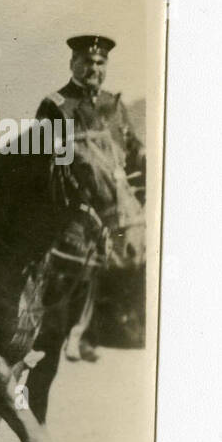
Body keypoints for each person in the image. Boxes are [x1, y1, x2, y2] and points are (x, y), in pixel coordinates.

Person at [35, 34, 146, 362]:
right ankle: (61, 331)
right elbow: (43, 160)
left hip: (112, 204)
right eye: (86, 62)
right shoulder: (55, 104)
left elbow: (136, 154)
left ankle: (109, 326)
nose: (93, 68)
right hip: (73, 206)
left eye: (100, 63)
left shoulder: (114, 105)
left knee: (136, 243)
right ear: (73, 64)